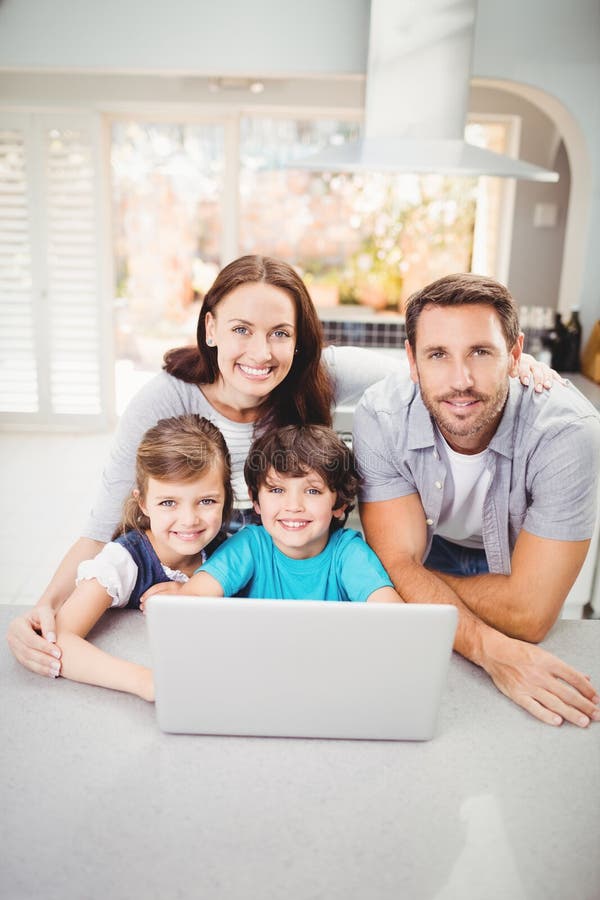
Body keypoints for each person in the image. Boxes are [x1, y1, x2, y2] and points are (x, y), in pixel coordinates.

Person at [7, 255, 557, 675]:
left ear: (299, 342)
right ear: (211, 328)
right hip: (205, 586)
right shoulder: (164, 399)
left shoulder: (323, 374)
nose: (261, 352)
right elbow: (103, 522)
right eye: (242, 329)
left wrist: (506, 361)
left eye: (280, 333)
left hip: (279, 594)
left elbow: (431, 360)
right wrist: (46, 606)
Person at [353, 273, 600, 728]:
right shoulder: (381, 416)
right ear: (411, 360)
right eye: (437, 355)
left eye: (481, 352)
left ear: (515, 353)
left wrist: (413, 581)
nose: (460, 380)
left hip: (514, 551)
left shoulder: (566, 433)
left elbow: (529, 615)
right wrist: (491, 650)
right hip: (436, 542)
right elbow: (396, 563)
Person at [53, 415, 233, 700]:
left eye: (207, 501)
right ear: (143, 502)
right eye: (168, 502)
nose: (189, 520)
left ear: (227, 498)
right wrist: (146, 682)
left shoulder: (230, 552)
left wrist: (194, 593)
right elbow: (60, 640)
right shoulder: (122, 561)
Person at [142, 425, 401, 606]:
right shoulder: (250, 545)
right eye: (277, 489)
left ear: (339, 504)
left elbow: (394, 616)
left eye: (312, 490)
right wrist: (187, 596)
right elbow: (196, 596)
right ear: (255, 500)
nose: (293, 505)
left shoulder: (348, 552)